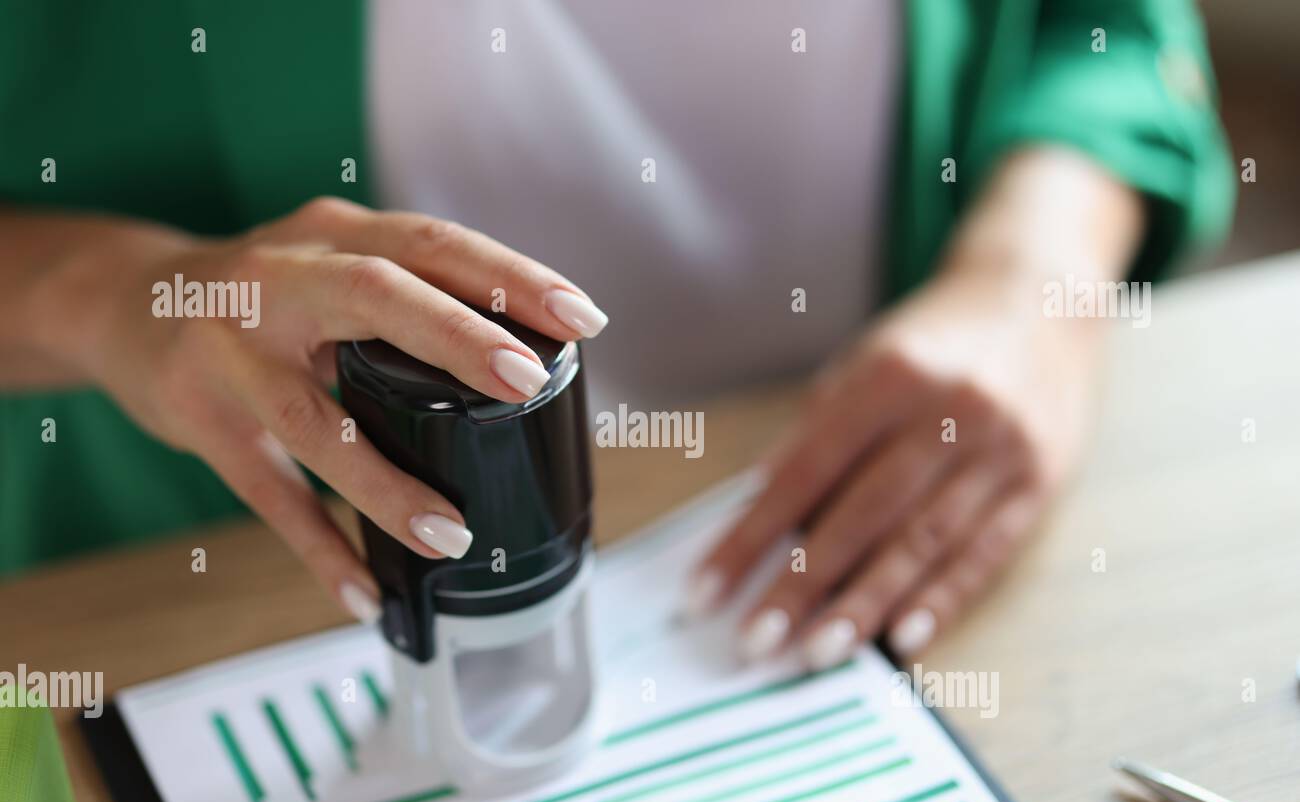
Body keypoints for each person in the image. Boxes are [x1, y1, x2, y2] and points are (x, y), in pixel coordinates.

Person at [0, 1, 1232, 669]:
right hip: (214, 581)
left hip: (852, 485)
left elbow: (1110, 24)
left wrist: (1032, 268)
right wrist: (115, 294)